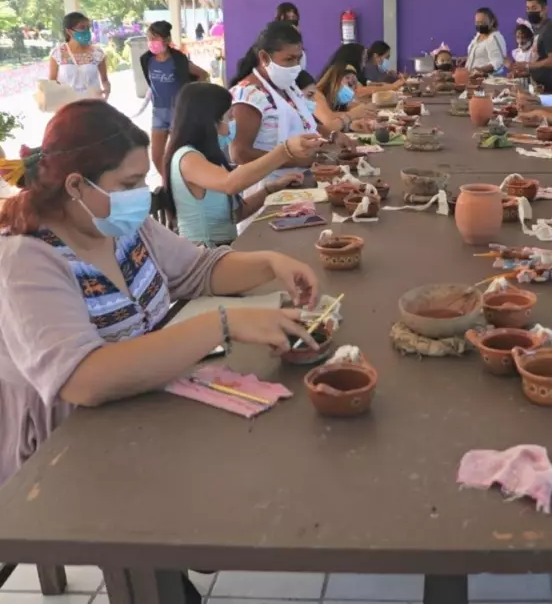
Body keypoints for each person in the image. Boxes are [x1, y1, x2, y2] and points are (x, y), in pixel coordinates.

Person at [0, 99, 321, 490]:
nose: (142, 195)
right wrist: (222, 324)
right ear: (76, 185)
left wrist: (269, 263)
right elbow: (83, 378)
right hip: (70, 455)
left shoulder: (120, 226)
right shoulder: (26, 259)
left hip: (142, 413)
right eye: (129, 185)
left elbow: (198, 270)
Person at [228, 22, 355, 228]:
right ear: (264, 58)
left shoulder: (287, 86)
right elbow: (239, 153)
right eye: (288, 59)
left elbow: (305, 119)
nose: (295, 66)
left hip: (297, 182)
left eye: (298, 58)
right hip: (267, 190)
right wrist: (289, 159)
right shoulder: (249, 95)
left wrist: (332, 135)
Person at [163, 83, 316, 246]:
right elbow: (230, 184)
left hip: (223, 248)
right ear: (210, 120)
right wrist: (285, 151)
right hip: (202, 255)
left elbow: (236, 214)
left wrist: (270, 189)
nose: (233, 123)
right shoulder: (187, 158)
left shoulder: (209, 159)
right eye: (229, 117)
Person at [140, 21, 209, 174]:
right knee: (156, 156)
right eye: (149, 38)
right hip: (158, 112)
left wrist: (192, 94)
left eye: (154, 38)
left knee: (177, 155)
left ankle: (180, 184)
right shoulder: (147, 60)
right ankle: (166, 185)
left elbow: (203, 74)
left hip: (177, 112)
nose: (150, 42)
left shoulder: (179, 60)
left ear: (165, 40)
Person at [513, 0, 552, 105]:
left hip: (548, 92)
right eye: (528, 8)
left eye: (534, 8)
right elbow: (540, 59)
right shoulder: (537, 29)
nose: (530, 12)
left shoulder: (551, 30)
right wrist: (524, 71)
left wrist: (528, 65)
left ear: (545, 9)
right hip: (537, 87)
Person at [48, 12, 110, 100]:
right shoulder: (57, 54)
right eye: (82, 27)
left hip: (94, 105)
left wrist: (106, 91)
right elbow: (52, 83)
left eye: (88, 27)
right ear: (69, 31)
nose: (86, 31)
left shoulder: (97, 53)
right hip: (69, 107)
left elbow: (105, 80)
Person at [315, 65, 375, 133]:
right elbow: (328, 119)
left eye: (352, 86)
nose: (349, 88)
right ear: (334, 78)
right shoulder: (315, 94)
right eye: (347, 79)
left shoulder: (339, 103)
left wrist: (351, 125)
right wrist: (353, 114)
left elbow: (356, 108)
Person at [466, 7, 507, 76]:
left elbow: (498, 61)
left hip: (486, 80)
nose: (479, 25)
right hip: (471, 79)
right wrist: (467, 58)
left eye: (482, 22)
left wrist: (481, 69)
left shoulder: (494, 37)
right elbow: (481, 55)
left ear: (492, 21)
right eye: (477, 22)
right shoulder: (478, 36)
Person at [273, 2, 306, 71]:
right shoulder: (275, 29)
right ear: (281, 14)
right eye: (289, 11)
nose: (292, 14)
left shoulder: (296, 28)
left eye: (293, 12)